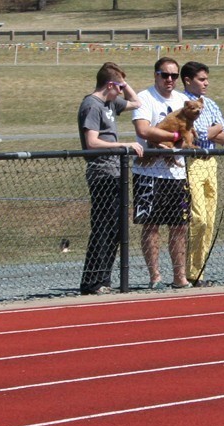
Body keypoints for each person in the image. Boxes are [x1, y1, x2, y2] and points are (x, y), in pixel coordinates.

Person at [77, 62, 143, 296]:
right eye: (119, 86)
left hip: (117, 173)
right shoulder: (92, 105)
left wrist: (124, 84)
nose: (121, 91)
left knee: (115, 228)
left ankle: (104, 278)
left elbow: (137, 103)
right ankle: (91, 281)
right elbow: (92, 142)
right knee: (102, 227)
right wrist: (123, 145)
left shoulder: (110, 103)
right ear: (109, 85)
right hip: (102, 173)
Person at [132, 57, 192, 289]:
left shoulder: (183, 100)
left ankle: (179, 275)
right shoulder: (144, 98)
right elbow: (144, 130)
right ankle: (155, 275)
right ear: (155, 75)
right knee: (151, 225)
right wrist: (175, 137)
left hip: (176, 174)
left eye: (174, 76)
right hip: (149, 172)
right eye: (164, 75)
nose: (169, 80)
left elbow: (192, 130)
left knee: (179, 225)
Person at [180, 61, 224, 288]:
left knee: (209, 221)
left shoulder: (209, 104)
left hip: (211, 162)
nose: (206, 83)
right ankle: (186, 270)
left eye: (207, 79)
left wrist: (214, 132)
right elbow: (197, 134)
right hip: (191, 163)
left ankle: (198, 272)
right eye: (201, 79)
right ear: (188, 80)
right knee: (197, 218)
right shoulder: (182, 102)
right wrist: (214, 130)